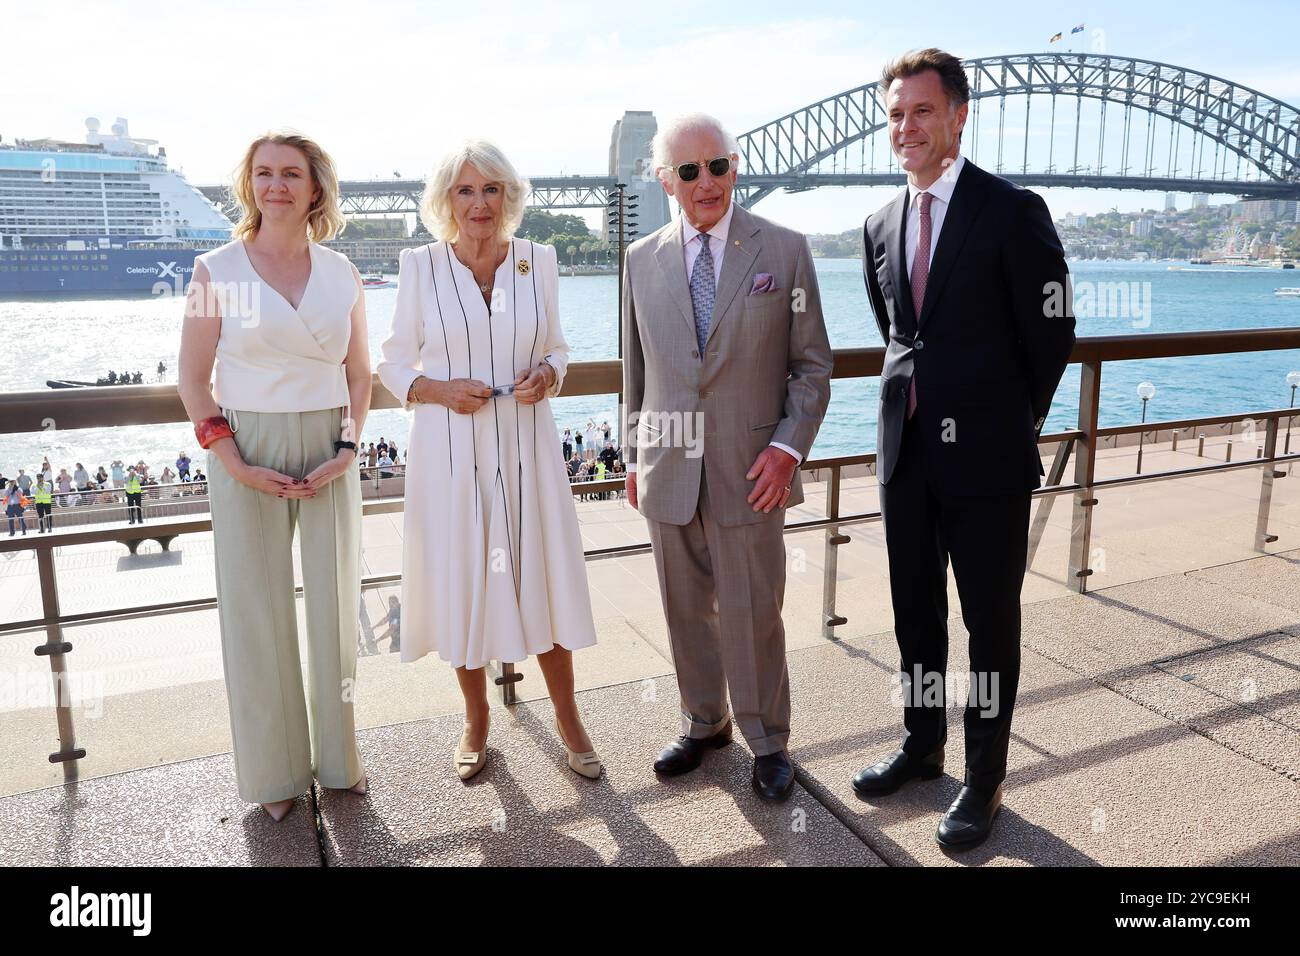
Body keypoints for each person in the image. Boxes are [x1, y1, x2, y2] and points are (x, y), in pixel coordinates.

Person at [855, 49, 1076, 850]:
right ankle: (922, 744)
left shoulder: (1012, 211)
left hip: (985, 461)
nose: (905, 129)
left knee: (989, 626)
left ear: (957, 115)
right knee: (915, 615)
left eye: (920, 111)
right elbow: (898, 333)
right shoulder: (878, 222)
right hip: (905, 455)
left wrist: (1008, 424)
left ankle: (984, 776)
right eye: (894, 115)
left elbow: (1051, 332)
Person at [622, 113, 832, 802]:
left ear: (736, 167)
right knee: (684, 609)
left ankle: (769, 741)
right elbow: (636, 371)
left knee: (753, 610)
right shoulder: (639, 258)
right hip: (666, 463)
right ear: (666, 180)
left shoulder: (785, 249)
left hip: (753, 467)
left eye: (718, 165)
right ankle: (703, 723)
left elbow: (811, 367)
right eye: (689, 170)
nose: (706, 181)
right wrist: (632, 454)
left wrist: (786, 449)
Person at [378, 138, 601, 783]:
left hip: (528, 449)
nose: (480, 203)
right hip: (448, 453)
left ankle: (569, 720)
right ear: (445, 200)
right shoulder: (419, 266)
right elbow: (391, 362)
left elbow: (558, 348)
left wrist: (548, 377)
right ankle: (475, 720)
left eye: (492, 189)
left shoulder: (539, 260)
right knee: (462, 580)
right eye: (465, 190)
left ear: (510, 197)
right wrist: (437, 390)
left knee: (543, 575)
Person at [178, 129, 370, 822]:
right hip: (245, 448)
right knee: (256, 615)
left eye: (291, 173)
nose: (276, 186)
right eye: (264, 173)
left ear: (315, 186)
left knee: (334, 610)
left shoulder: (343, 272)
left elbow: (359, 374)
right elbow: (193, 380)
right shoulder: (213, 270)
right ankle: (275, 777)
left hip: (330, 446)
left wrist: (348, 447)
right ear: (248, 184)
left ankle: (341, 761)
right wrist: (233, 463)